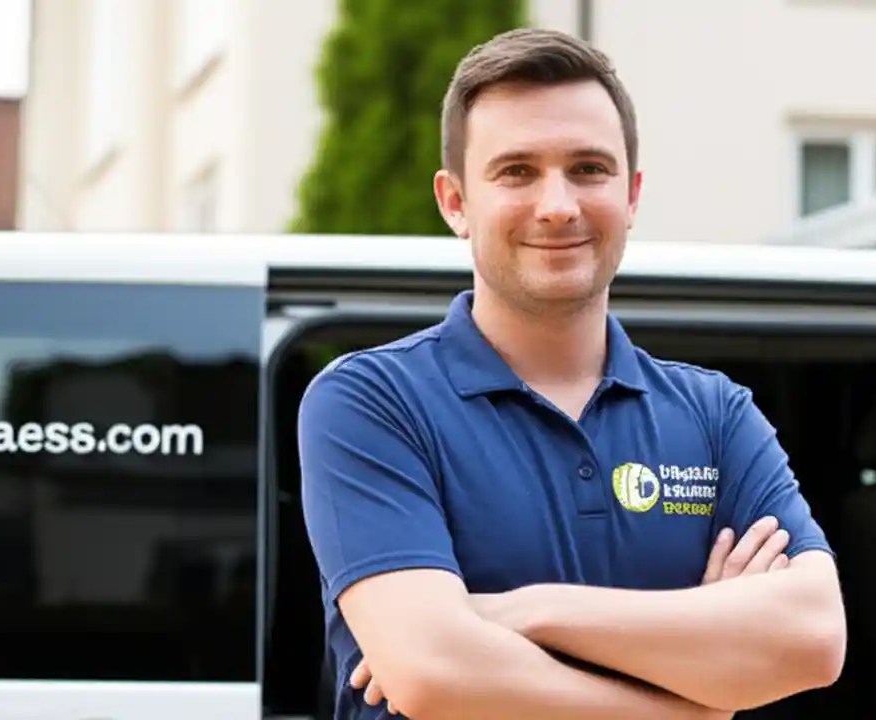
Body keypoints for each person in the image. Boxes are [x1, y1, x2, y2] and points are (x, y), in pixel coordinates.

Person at [298, 27, 846, 719]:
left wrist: (530, 611)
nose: (557, 205)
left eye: (588, 168)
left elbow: (814, 637)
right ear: (455, 202)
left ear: (633, 194)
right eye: (516, 171)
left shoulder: (715, 414)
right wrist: (696, 695)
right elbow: (435, 672)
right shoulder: (372, 402)